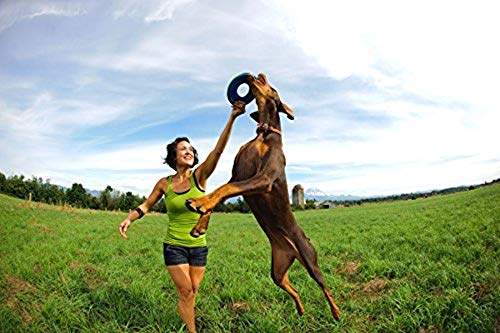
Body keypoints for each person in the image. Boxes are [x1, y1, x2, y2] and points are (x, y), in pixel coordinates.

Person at [118, 101, 246, 333]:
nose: (189, 151)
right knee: (185, 291)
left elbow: (217, 151)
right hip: (174, 245)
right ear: (174, 156)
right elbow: (146, 206)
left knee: (193, 291)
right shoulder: (164, 183)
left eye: (191, 149)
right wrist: (129, 218)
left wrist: (233, 117)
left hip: (198, 246)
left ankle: (187, 316)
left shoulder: (200, 177)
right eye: (183, 149)